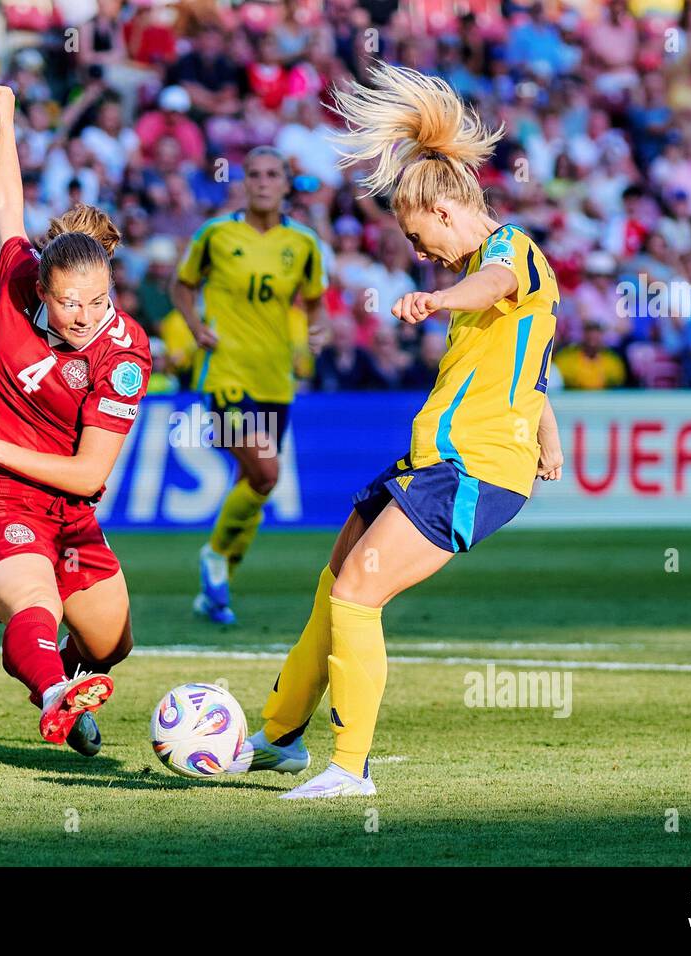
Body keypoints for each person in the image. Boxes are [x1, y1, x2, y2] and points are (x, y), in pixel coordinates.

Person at [227, 64, 563, 799]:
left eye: (417, 236)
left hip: (472, 472)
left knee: (357, 596)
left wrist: (438, 297)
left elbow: (496, 287)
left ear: (445, 212)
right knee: (335, 576)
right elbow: (526, 359)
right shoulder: (484, 267)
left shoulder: (511, 254)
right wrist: (551, 437)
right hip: (432, 459)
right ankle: (280, 735)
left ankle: (351, 769)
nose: (417, 252)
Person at [0, 84, 151, 755]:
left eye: (96, 300)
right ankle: (53, 692)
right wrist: (5, 121)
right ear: (43, 289)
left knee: (111, 641)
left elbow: (90, 475)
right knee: (34, 597)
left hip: (69, 507)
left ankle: (49, 669)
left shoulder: (124, 354)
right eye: (68, 304)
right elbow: (5, 206)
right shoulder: (17, 277)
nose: (83, 316)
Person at [170, 146, 328, 624]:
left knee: (254, 484)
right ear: (244, 182)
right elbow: (182, 285)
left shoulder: (302, 244)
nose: (262, 182)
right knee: (266, 472)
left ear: (285, 184)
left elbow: (315, 301)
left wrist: (313, 335)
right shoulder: (215, 234)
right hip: (227, 374)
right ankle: (214, 556)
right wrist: (197, 328)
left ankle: (215, 592)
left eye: (271, 175)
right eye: (254, 174)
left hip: (275, 379)